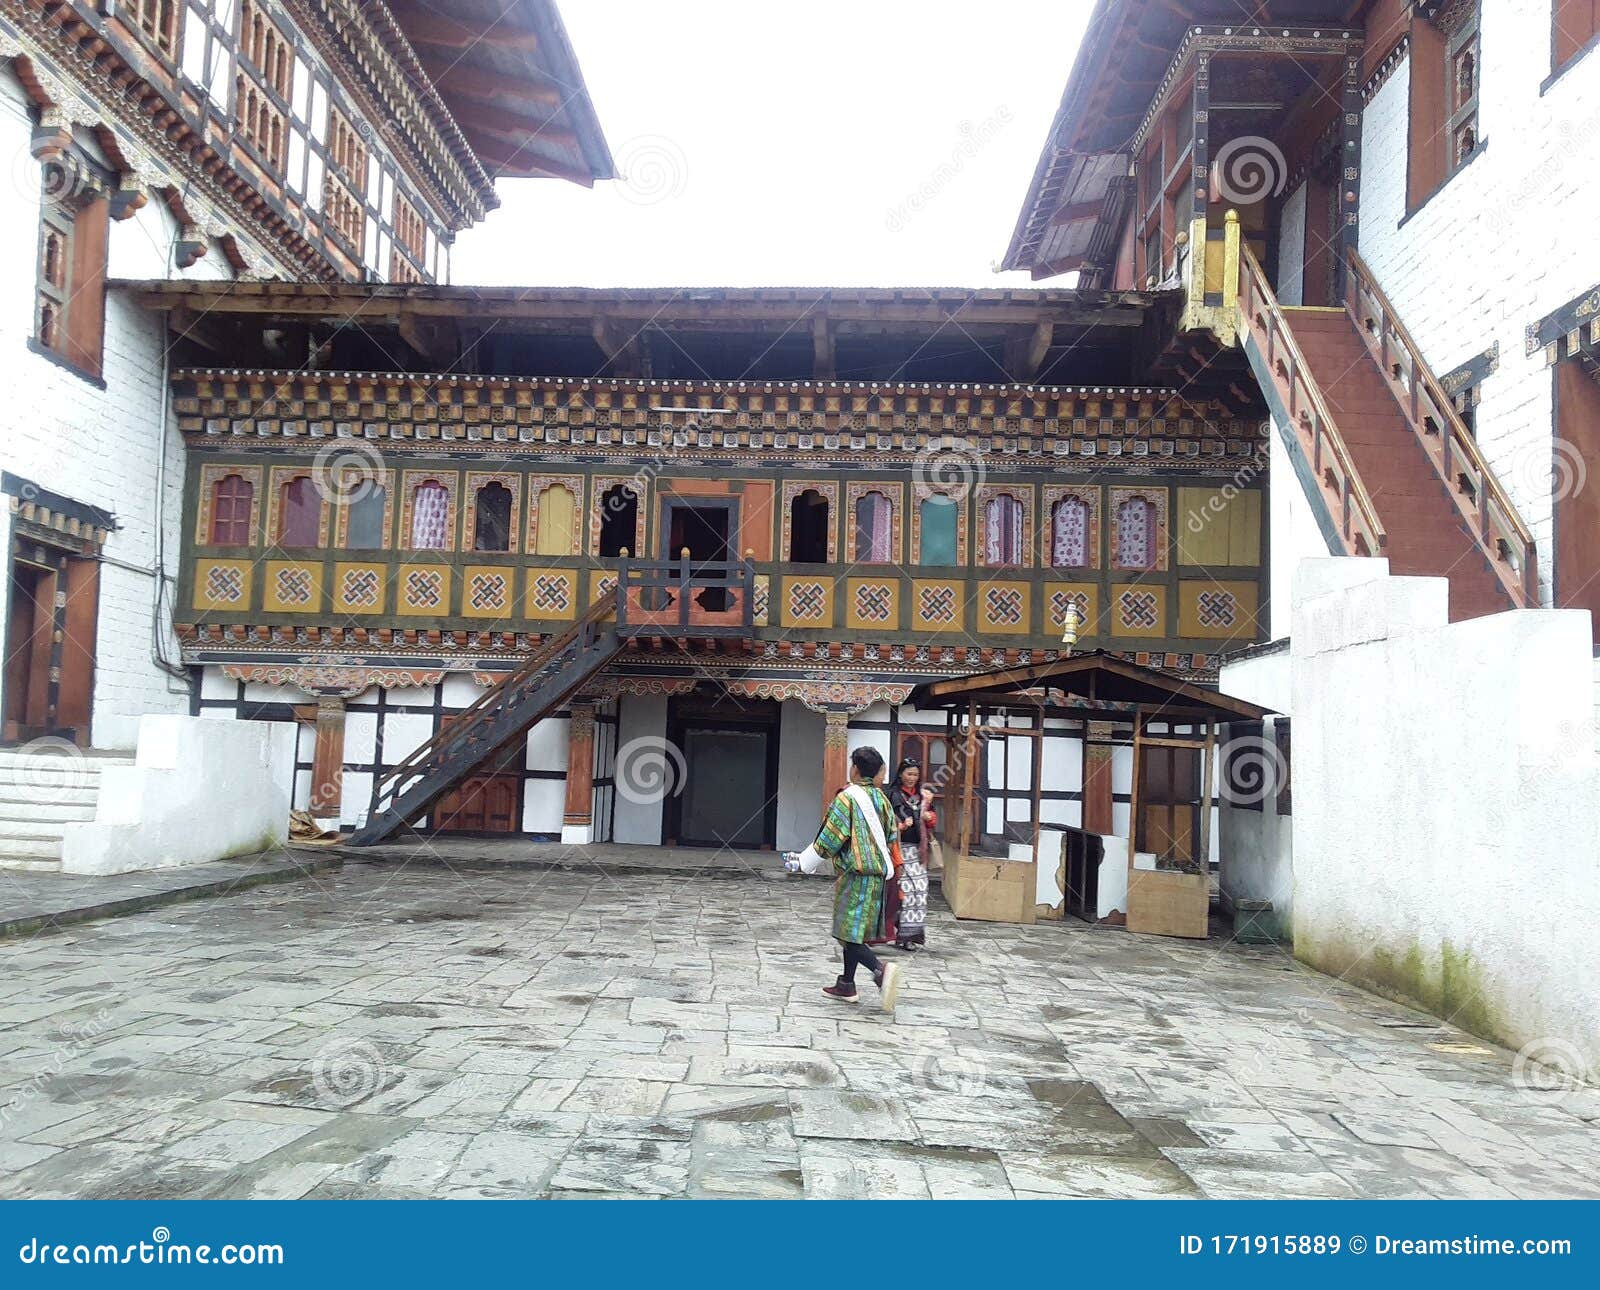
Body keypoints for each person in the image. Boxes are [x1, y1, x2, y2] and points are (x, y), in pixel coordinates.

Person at [811, 745, 904, 1011]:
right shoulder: (883, 800)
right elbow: (891, 836)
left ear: (855, 768)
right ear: (877, 772)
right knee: (854, 931)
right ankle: (846, 983)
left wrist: (810, 858)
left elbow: (830, 838)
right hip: (877, 875)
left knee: (847, 932)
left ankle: (880, 971)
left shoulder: (847, 798)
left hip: (854, 874)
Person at [887, 757, 935, 951]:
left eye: (915, 774)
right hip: (898, 848)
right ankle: (898, 931)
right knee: (903, 892)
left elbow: (932, 819)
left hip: (917, 850)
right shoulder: (892, 794)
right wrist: (899, 825)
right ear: (900, 774)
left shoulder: (924, 797)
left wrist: (928, 816)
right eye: (909, 774)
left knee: (920, 890)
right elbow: (886, 820)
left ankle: (910, 935)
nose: (912, 778)